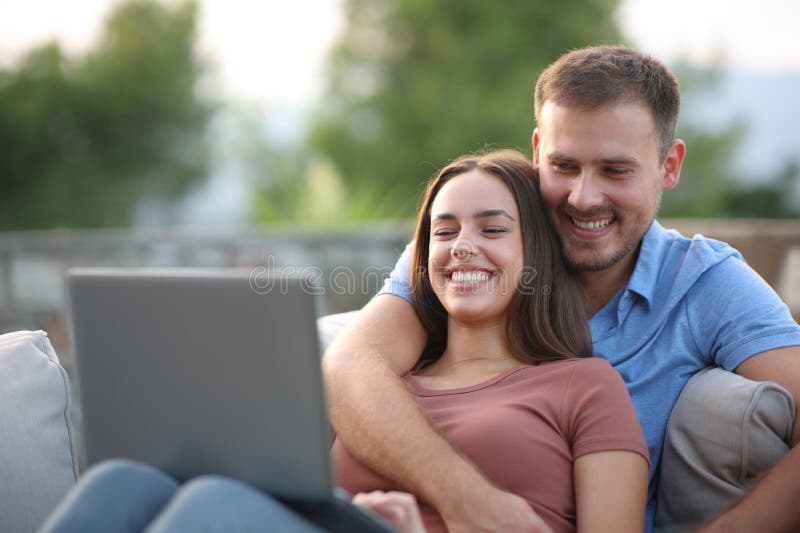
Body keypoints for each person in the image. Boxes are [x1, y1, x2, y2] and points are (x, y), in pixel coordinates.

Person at [322, 45, 800, 533]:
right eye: (564, 166)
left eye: (615, 170)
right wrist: (465, 500)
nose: (583, 197)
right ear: (536, 153)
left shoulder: (705, 283)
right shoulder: (476, 249)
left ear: (669, 166)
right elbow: (351, 366)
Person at [41, 150, 649, 533]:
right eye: (444, 231)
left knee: (212, 504)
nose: (463, 245)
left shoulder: (585, 386)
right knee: (123, 482)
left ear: (535, 252)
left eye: (492, 228)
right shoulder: (381, 389)